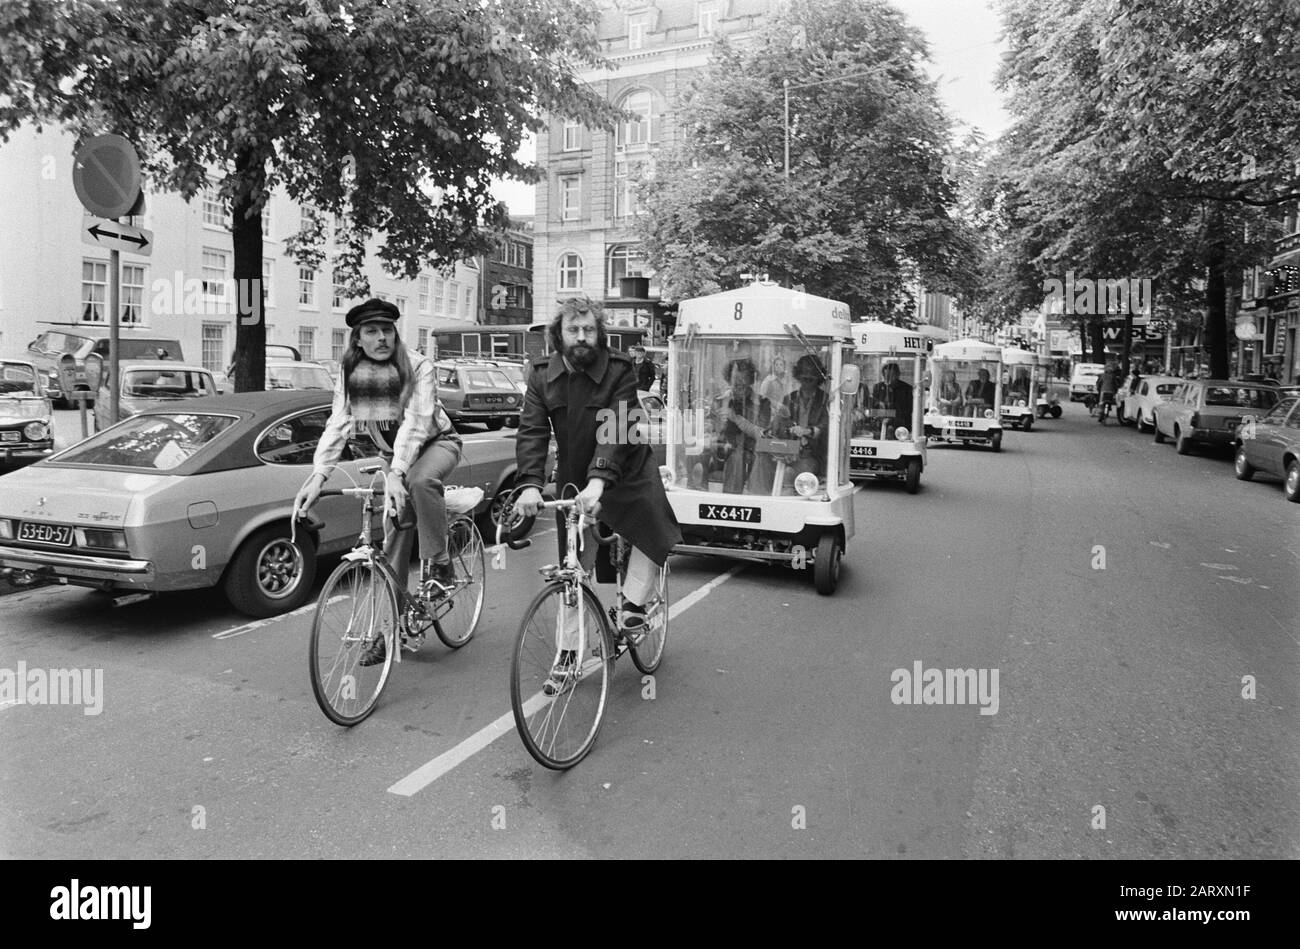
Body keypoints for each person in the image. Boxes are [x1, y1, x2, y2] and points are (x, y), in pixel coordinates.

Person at [513, 297, 681, 694]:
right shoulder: (540, 376)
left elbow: (619, 428)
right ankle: (568, 654)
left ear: (599, 333)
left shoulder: (621, 371)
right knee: (572, 566)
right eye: (574, 330)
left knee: (651, 528)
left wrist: (600, 480)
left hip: (628, 468)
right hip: (575, 476)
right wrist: (530, 484)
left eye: (589, 330)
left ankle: (635, 605)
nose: (582, 337)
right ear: (560, 334)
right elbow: (532, 432)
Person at [293, 299, 462, 665]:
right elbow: (338, 423)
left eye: (387, 330)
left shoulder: (417, 365)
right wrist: (318, 474)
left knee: (418, 483)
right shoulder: (354, 371)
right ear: (358, 339)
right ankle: (390, 631)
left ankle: (441, 562)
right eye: (372, 331)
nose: (382, 338)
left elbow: (417, 425)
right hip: (393, 457)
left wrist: (399, 473)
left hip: (436, 444)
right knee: (393, 543)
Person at [701, 357, 772, 492]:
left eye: (743, 379)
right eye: (735, 380)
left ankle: (731, 502)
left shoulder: (763, 403)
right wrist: (711, 428)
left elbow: (762, 434)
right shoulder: (719, 400)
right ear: (729, 379)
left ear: (751, 380)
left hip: (750, 453)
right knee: (695, 453)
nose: (738, 383)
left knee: (737, 457)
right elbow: (708, 427)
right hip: (720, 450)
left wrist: (735, 418)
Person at [770, 353, 830, 485]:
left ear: (818, 378)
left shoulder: (826, 400)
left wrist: (807, 431)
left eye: (811, 377)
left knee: (794, 474)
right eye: (804, 376)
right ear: (798, 376)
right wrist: (788, 431)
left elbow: (826, 427)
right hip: (788, 453)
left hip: (813, 456)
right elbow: (777, 426)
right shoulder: (789, 398)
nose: (807, 380)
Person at [870, 361, 913, 438]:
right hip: (880, 425)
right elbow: (873, 407)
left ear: (898, 375)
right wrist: (879, 404)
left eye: (891, 376)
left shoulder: (906, 389)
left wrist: (891, 418)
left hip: (900, 428)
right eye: (886, 376)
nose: (889, 379)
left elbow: (908, 411)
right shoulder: (878, 387)